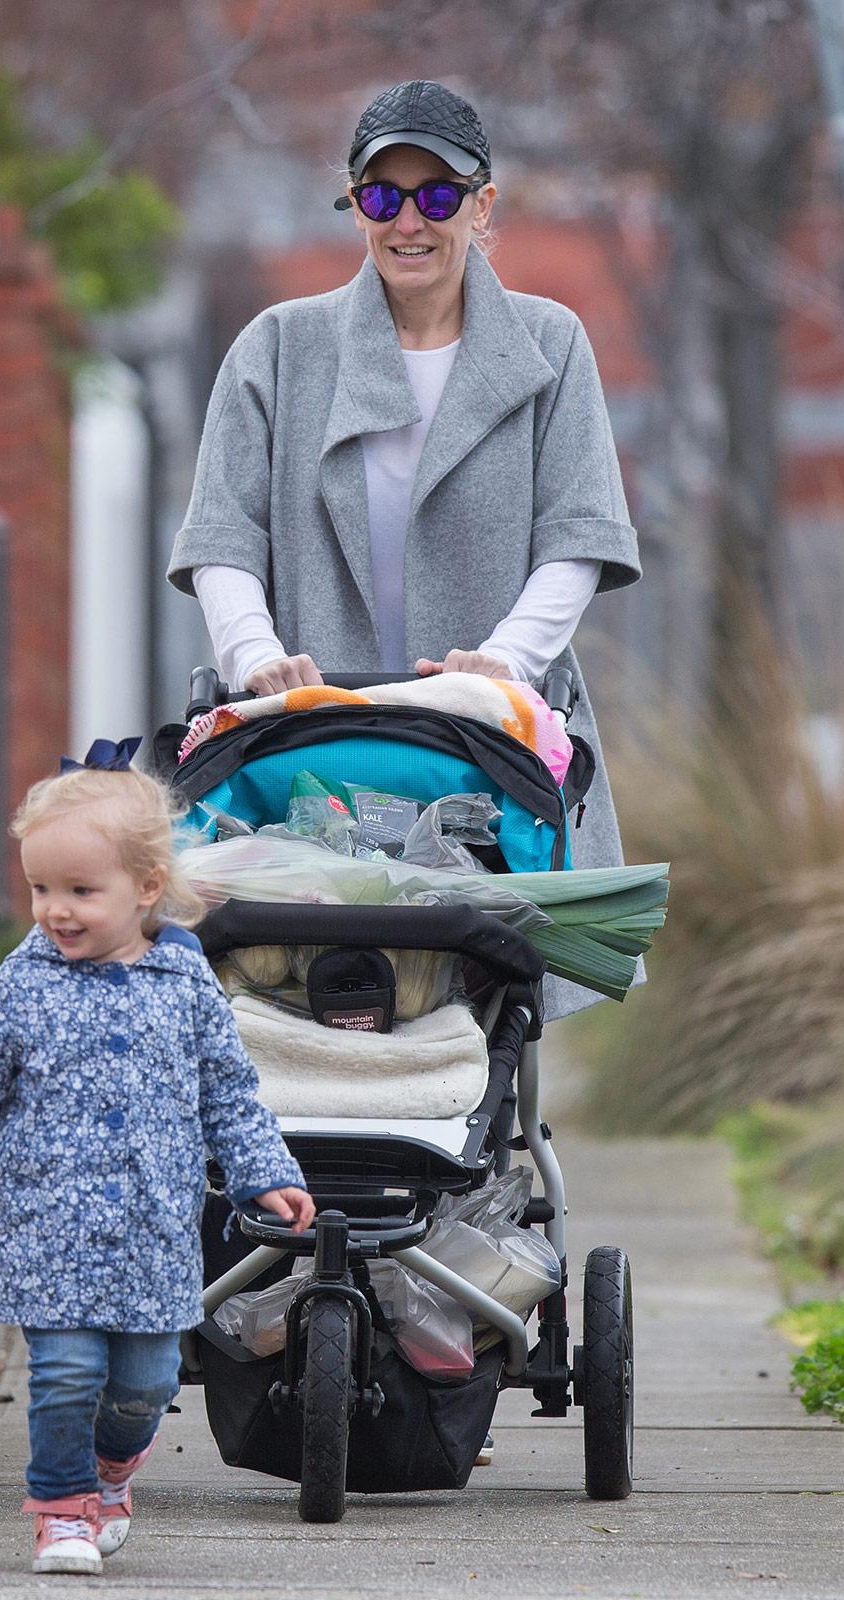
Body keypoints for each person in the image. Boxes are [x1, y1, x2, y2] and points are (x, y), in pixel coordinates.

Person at [169, 79, 643, 1020]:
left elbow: (577, 537)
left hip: (489, 746)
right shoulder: (276, 348)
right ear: (355, 204)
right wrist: (257, 659)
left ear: (483, 203)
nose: (409, 222)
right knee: (287, 989)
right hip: (305, 738)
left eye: (437, 195)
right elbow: (225, 532)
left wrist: (505, 664)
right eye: (383, 197)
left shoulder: (551, 345)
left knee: (476, 998)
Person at [0, 755, 314, 1576]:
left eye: (80, 891)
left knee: (146, 1386)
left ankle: (115, 1470)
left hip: (151, 1231)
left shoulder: (183, 980)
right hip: (47, 1229)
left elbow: (229, 1092)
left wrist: (265, 1171)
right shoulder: (24, 984)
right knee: (67, 1373)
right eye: (41, 890)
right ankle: (62, 1509)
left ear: (147, 888)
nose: (54, 912)